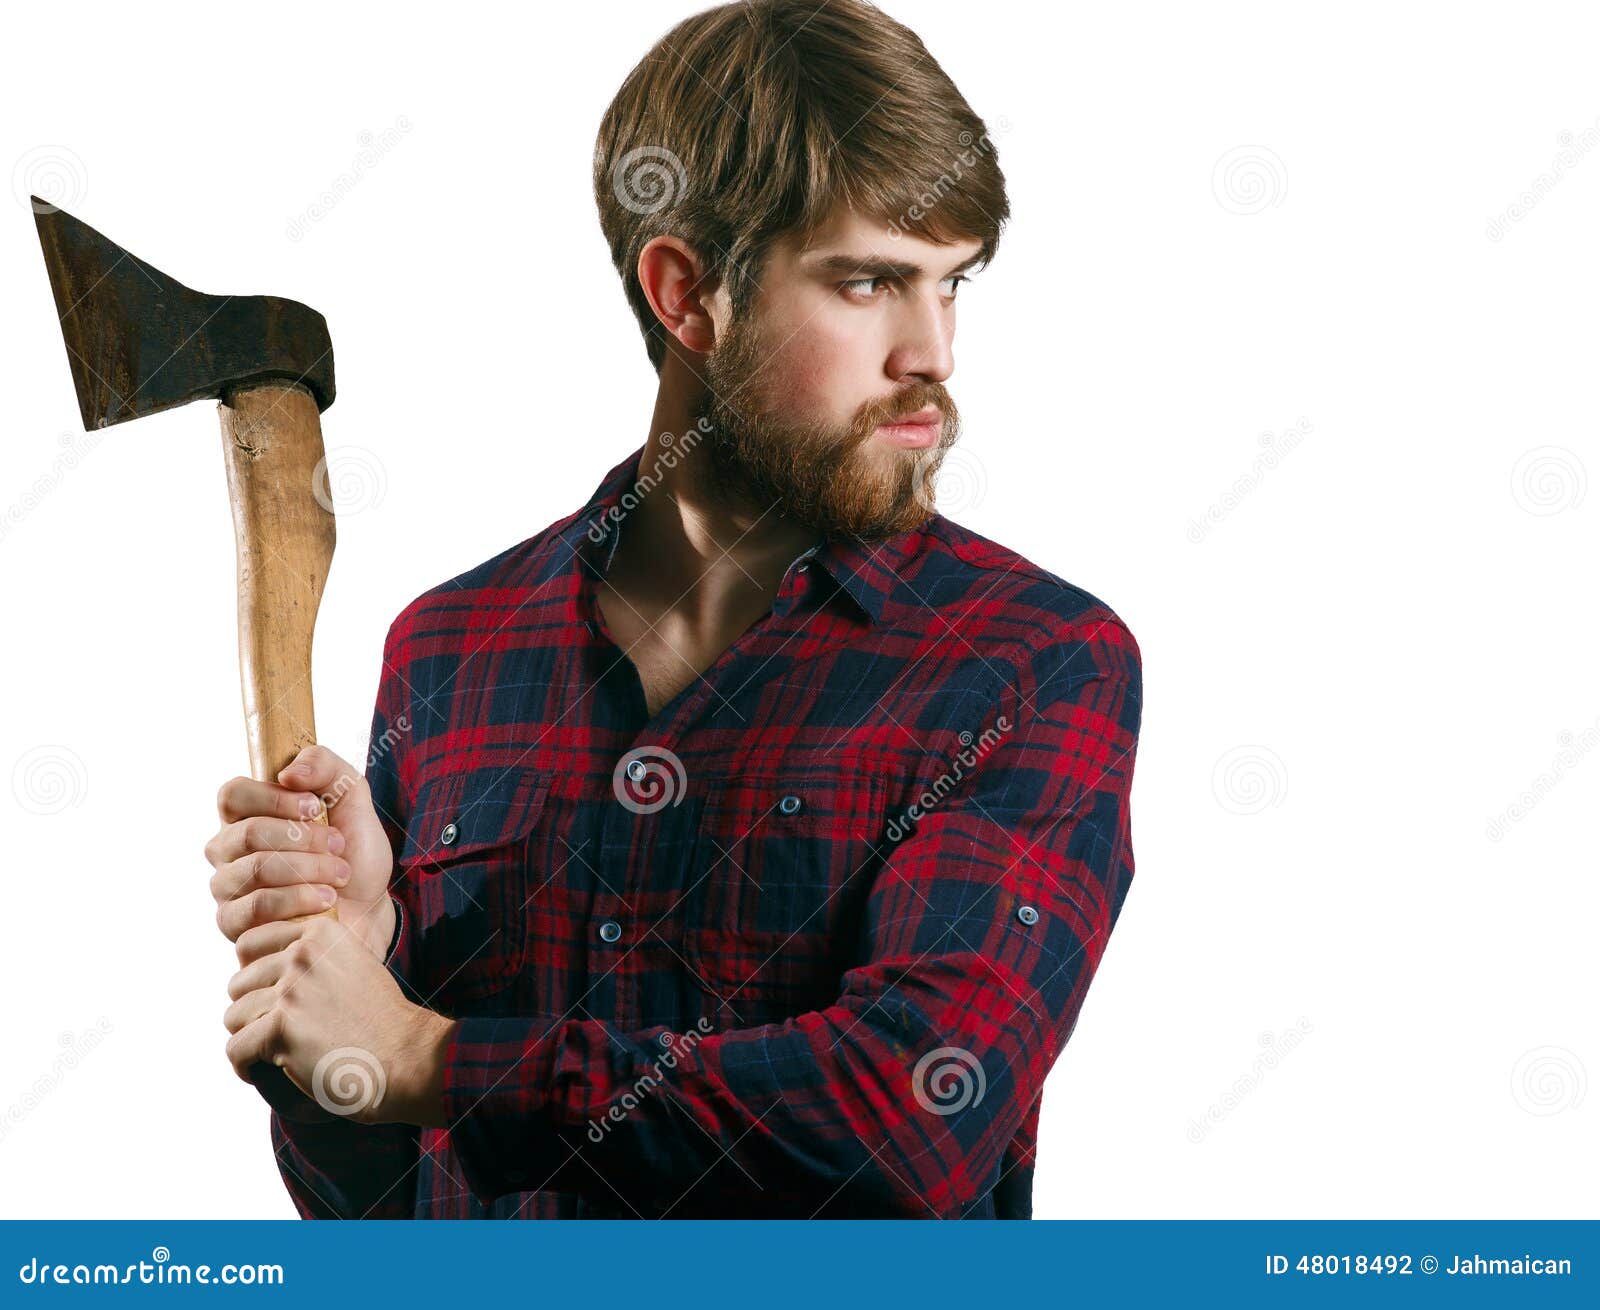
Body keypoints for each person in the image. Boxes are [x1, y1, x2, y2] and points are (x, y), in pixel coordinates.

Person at [203, 0, 1142, 1219]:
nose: (933, 352)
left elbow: (913, 1121)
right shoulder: (449, 651)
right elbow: (382, 1214)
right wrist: (341, 980)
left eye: (950, 283)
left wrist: (430, 1055)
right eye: (870, 281)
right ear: (686, 294)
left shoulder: (1029, 662)